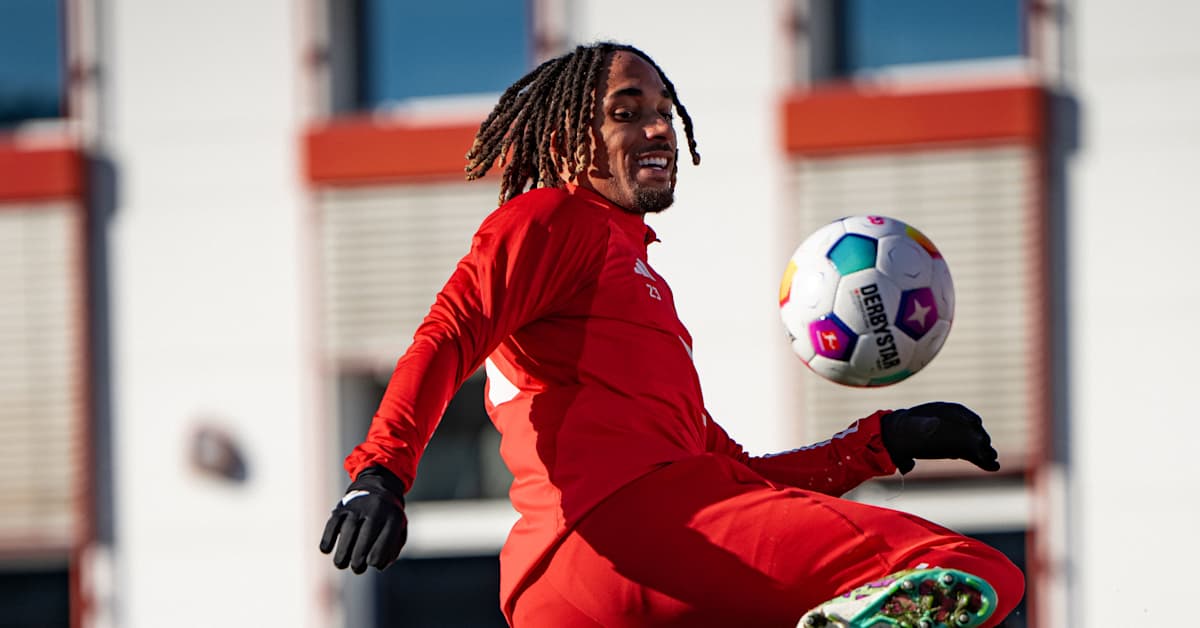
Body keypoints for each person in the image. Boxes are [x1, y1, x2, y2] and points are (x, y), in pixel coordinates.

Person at [318, 41, 1025, 628]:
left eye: (663, 111)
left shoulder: (633, 296)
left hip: (561, 597)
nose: (658, 128)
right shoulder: (554, 219)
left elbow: (737, 479)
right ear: (567, 142)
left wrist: (882, 442)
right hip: (629, 538)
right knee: (963, 571)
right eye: (626, 113)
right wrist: (381, 472)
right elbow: (449, 332)